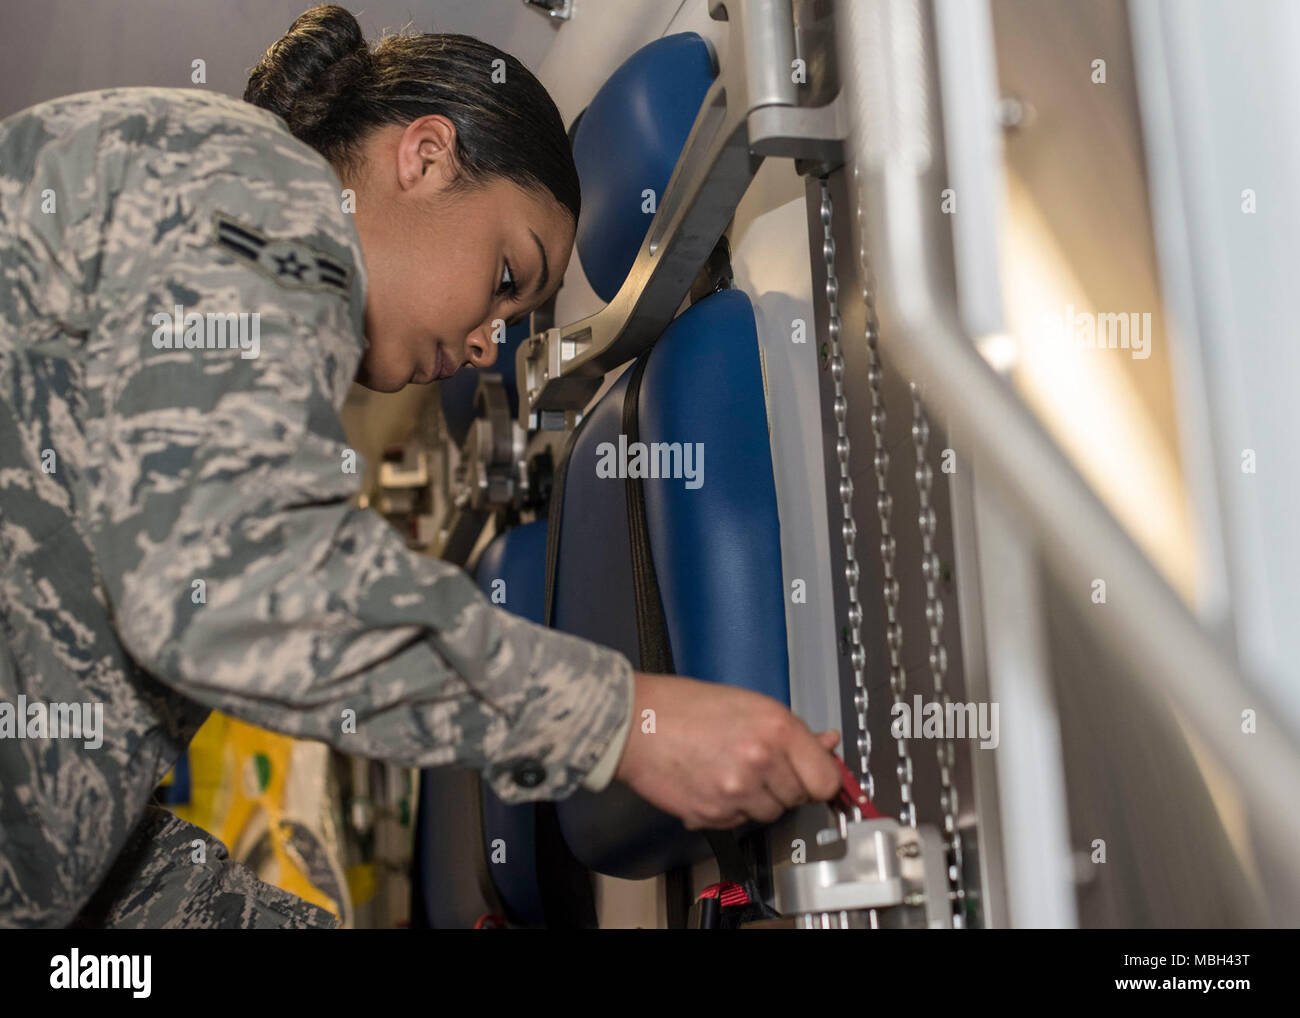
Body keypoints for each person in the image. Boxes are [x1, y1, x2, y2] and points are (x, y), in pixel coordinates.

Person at [0, 4, 841, 929]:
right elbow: (237, 579)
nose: (487, 343)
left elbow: (81, 857)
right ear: (427, 156)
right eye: (507, 276)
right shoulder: (258, 186)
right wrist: (622, 724)